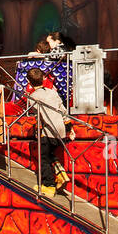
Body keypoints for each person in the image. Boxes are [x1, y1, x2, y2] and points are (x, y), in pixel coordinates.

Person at [27, 67, 69, 197]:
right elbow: (63, 111)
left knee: (44, 158)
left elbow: (39, 117)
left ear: (29, 82)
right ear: (43, 79)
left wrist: (37, 131)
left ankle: (48, 185)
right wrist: (70, 128)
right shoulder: (52, 92)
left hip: (49, 130)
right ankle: (61, 174)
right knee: (50, 153)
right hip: (61, 130)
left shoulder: (32, 97)